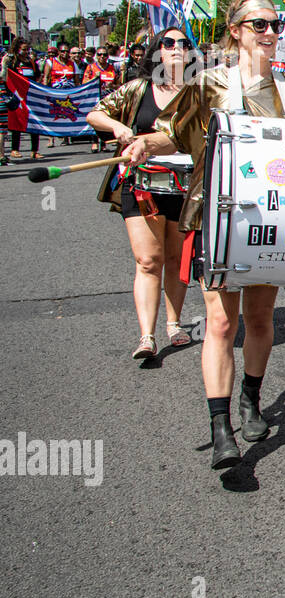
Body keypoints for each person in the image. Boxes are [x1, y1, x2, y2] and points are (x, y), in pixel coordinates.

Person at [122, 0, 285, 471]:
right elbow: (174, 131)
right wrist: (144, 142)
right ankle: (220, 425)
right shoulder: (208, 85)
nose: (270, 33)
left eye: (276, 24)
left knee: (260, 320)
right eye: (260, 24)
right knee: (222, 323)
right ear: (237, 30)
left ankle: (251, 397)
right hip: (217, 217)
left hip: (272, 220)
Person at [87, 28, 194, 359]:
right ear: (157, 52)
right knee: (149, 260)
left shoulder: (199, 91)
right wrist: (118, 127)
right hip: (141, 184)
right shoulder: (138, 88)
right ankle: (147, 336)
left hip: (185, 186)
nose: (177, 48)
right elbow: (95, 113)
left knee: (177, 260)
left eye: (184, 44)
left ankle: (174, 323)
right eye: (169, 43)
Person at [2, 38, 42, 159]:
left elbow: (38, 76)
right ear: (17, 49)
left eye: (27, 49)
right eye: (23, 49)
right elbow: (7, 78)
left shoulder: (31, 63)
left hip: (30, 96)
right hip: (17, 97)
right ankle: (15, 149)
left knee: (34, 122)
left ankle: (34, 151)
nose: (26, 52)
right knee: (17, 122)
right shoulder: (12, 62)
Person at [84, 47, 119, 152]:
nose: (102, 57)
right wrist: (94, 79)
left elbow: (119, 85)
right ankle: (94, 142)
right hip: (95, 98)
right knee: (96, 121)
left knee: (106, 121)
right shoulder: (91, 67)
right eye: (100, 54)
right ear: (96, 56)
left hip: (108, 98)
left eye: (104, 55)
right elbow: (84, 83)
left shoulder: (112, 68)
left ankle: (104, 143)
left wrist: (112, 85)